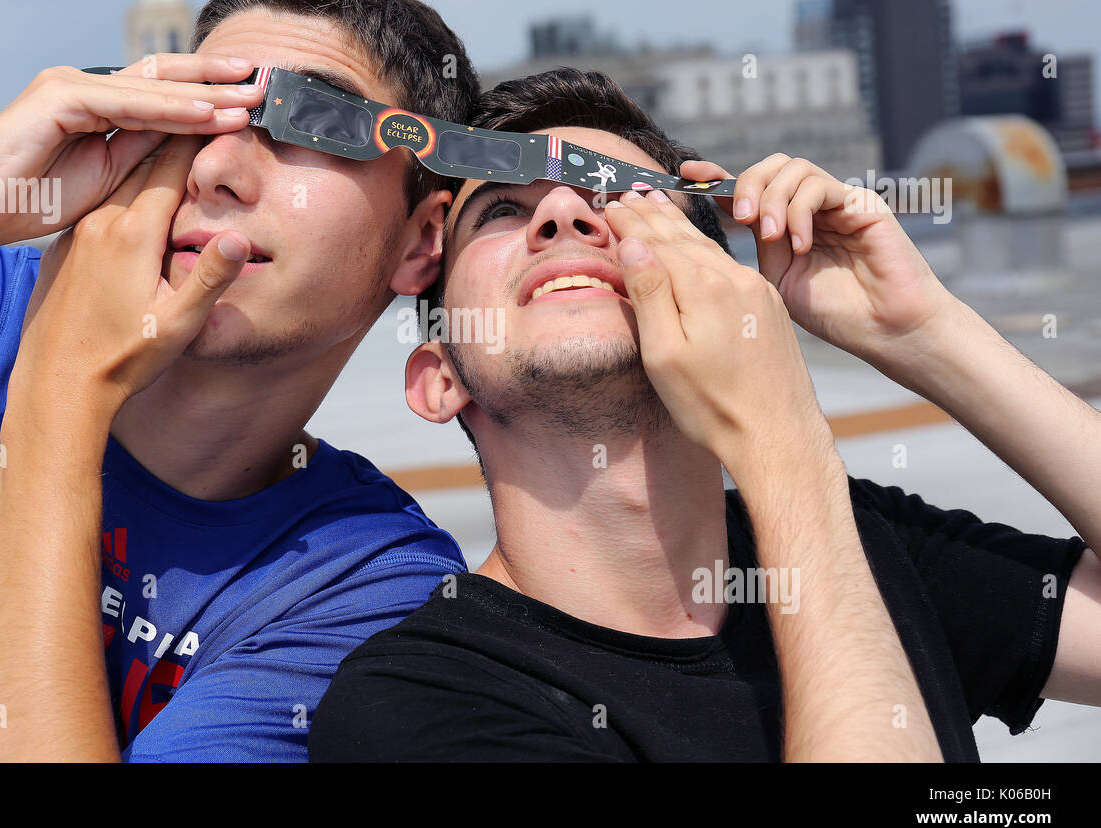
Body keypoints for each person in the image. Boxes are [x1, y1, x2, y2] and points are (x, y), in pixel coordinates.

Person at [307, 68, 1101, 761]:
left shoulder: (863, 542)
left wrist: (926, 334)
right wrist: (781, 440)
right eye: (502, 214)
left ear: (724, 293)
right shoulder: (415, 702)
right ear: (438, 378)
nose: (563, 217)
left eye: (620, 198)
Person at [0, 0, 479, 761]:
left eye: (314, 126)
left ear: (421, 240)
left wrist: (61, 392)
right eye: (201, 118)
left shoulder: (370, 587)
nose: (218, 169)